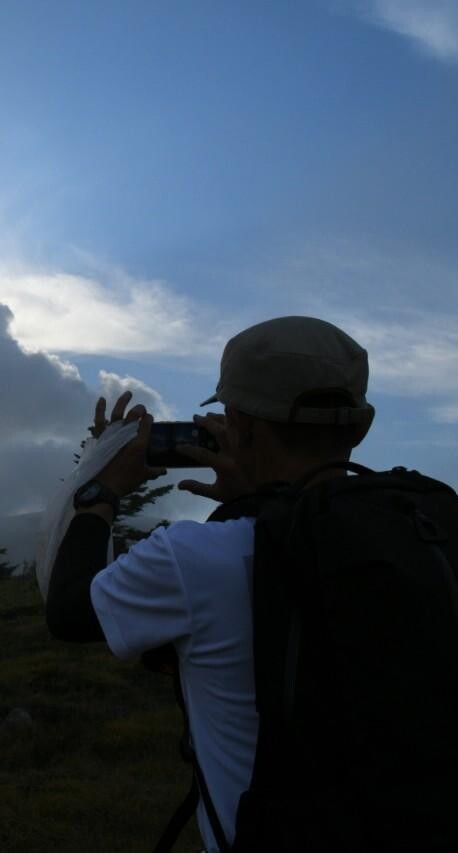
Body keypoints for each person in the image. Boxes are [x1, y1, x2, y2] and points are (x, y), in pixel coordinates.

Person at [43, 316, 382, 851]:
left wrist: (102, 483)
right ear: (358, 429)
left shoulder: (198, 558)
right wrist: (253, 499)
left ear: (241, 425)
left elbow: (68, 611)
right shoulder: (413, 534)